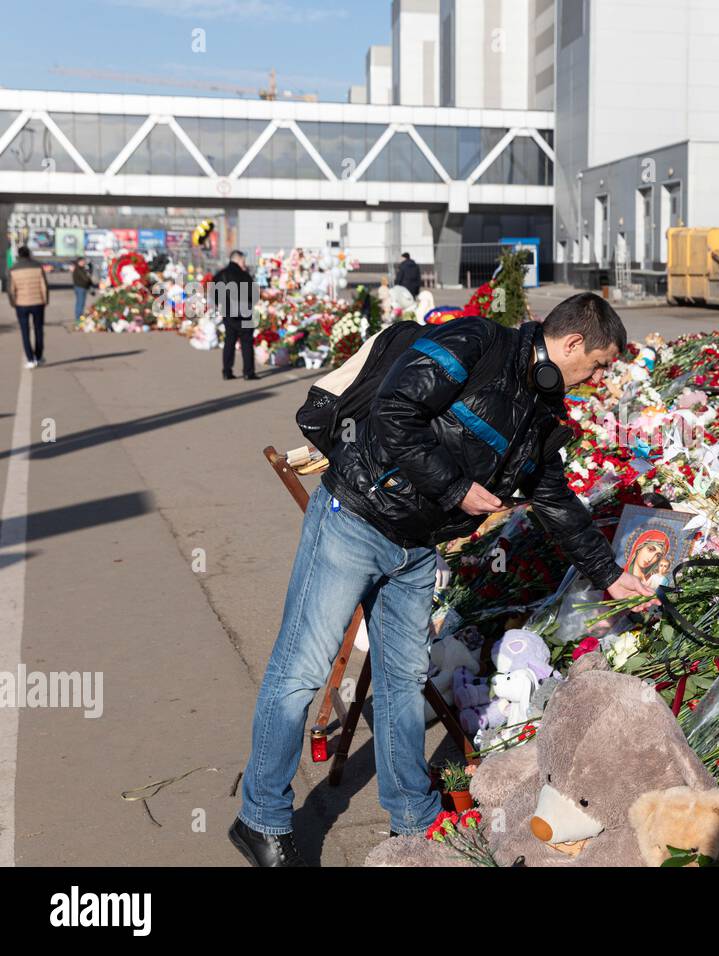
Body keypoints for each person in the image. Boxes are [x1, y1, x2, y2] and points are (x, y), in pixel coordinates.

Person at [229, 292, 656, 866]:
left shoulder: (543, 410)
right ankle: (261, 817)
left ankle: (413, 814)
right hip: (354, 519)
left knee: (404, 679)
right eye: (600, 363)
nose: (598, 376)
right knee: (301, 671)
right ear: (573, 343)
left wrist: (610, 574)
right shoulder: (476, 343)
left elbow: (552, 498)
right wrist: (455, 487)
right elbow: (393, 409)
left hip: (416, 547)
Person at [210, 250, 260, 381]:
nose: (244, 263)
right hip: (245, 313)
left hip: (228, 313)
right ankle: (248, 372)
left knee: (229, 342)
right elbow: (254, 295)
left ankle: (227, 371)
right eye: (243, 260)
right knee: (247, 342)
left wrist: (221, 304)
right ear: (237, 260)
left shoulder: (221, 274)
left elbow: (214, 293)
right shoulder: (244, 275)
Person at [7, 246, 49, 369]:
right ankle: (39, 357)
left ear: (19, 255)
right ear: (29, 254)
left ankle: (30, 359)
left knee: (25, 332)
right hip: (38, 303)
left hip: (21, 304)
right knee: (38, 329)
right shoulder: (38, 266)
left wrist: (13, 302)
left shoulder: (13, 269)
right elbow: (44, 286)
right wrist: (45, 300)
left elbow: (11, 289)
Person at [71, 256, 95, 321]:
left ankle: (79, 317)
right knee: (80, 303)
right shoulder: (79, 269)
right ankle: (78, 318)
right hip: (80, 288)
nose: (84, 262)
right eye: (82, 261)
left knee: (80, 303)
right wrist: (89, 274)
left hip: (81, 287)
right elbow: (86, 279)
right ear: (79, 262)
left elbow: (87, 278)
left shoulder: (81, 268)